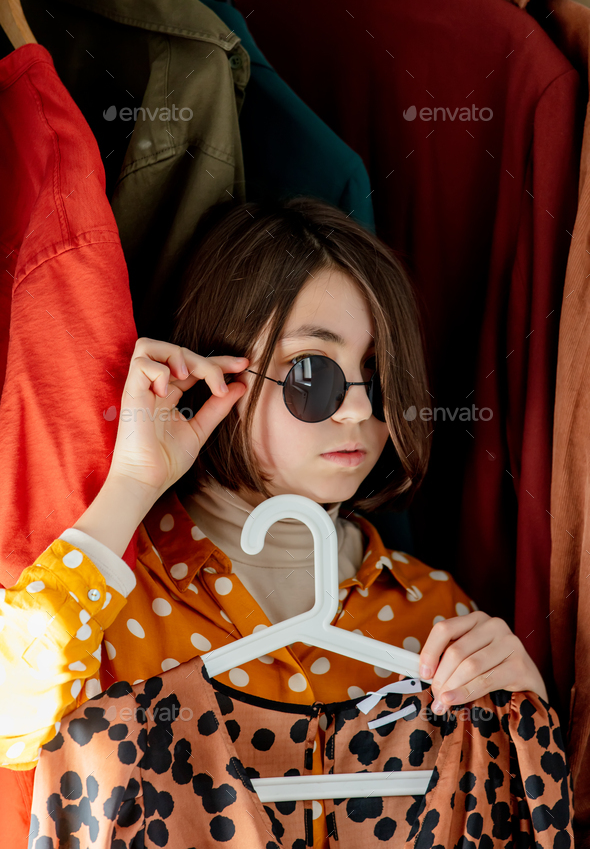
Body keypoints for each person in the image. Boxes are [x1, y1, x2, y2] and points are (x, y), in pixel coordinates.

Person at [0, 197, 547, 848]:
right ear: (221, 370)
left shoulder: (435, 615)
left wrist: (525, 711)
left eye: (378, 373)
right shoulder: (114, 598)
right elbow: (11, 714)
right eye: (312, 373)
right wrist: (134, 481)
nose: (355, 409)